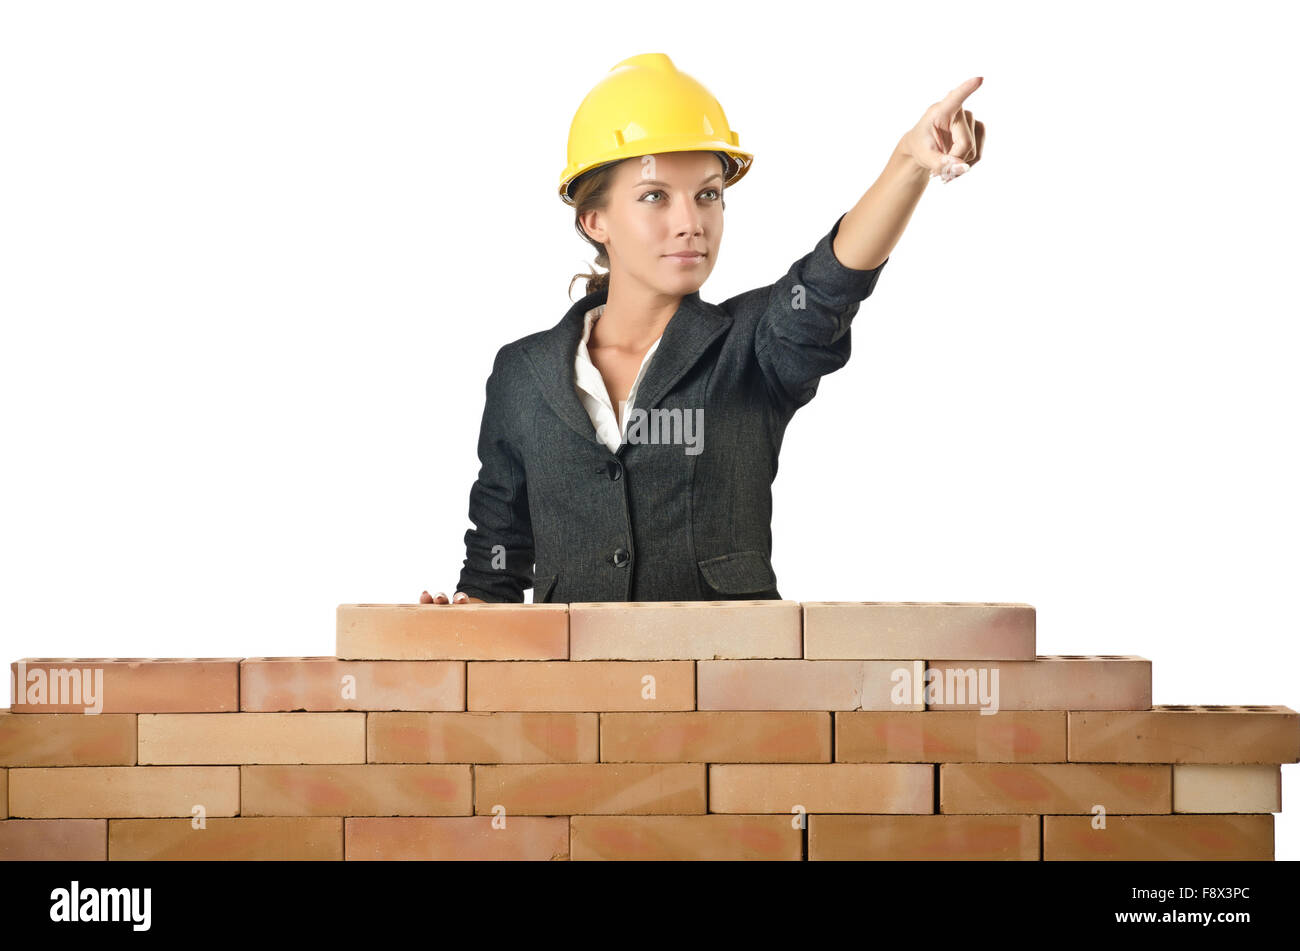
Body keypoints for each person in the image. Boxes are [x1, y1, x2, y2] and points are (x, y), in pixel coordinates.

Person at [422, 53, 985, 606]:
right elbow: (498, 557)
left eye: (708, 194)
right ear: (595, 221)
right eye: (654, 197)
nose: (691, 222)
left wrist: (909, 162)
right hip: (573, 692)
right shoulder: (523, 374)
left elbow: (831, 282)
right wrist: (462, 616)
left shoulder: (751, 347)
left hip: (735, 687)